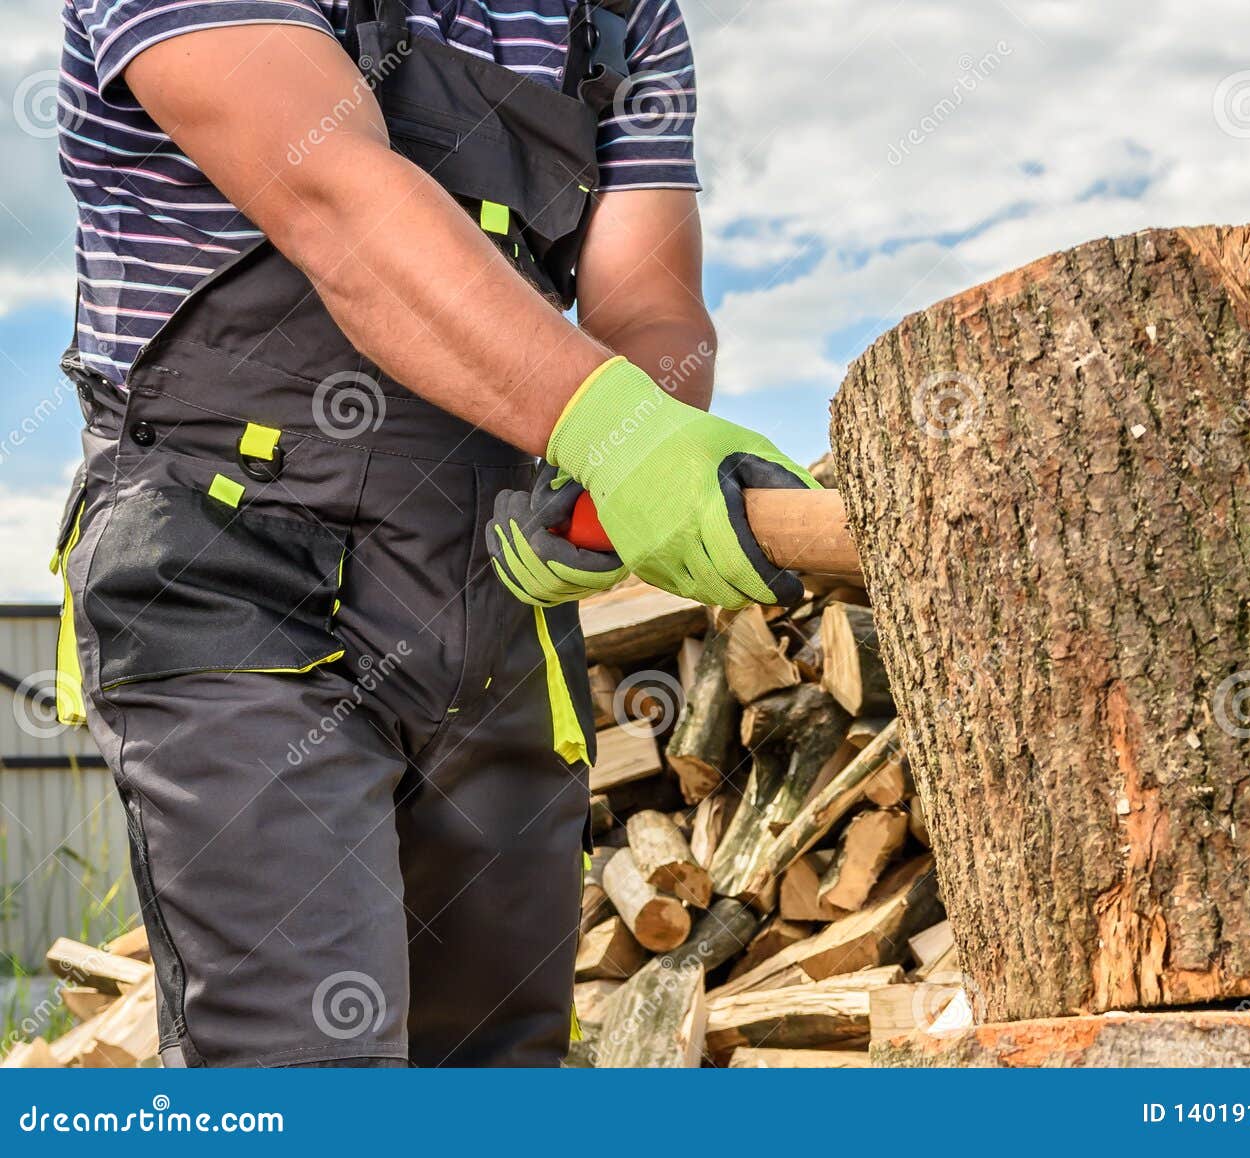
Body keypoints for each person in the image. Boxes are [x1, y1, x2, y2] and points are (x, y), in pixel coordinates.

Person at [50, 0, 813, 1067]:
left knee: (495, 1066)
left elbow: (648, 301)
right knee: (309, 1061)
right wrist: (619, 434)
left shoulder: (622, 17)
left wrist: (605, 475)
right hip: (231, 576)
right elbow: (335, 200)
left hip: (491, 588)